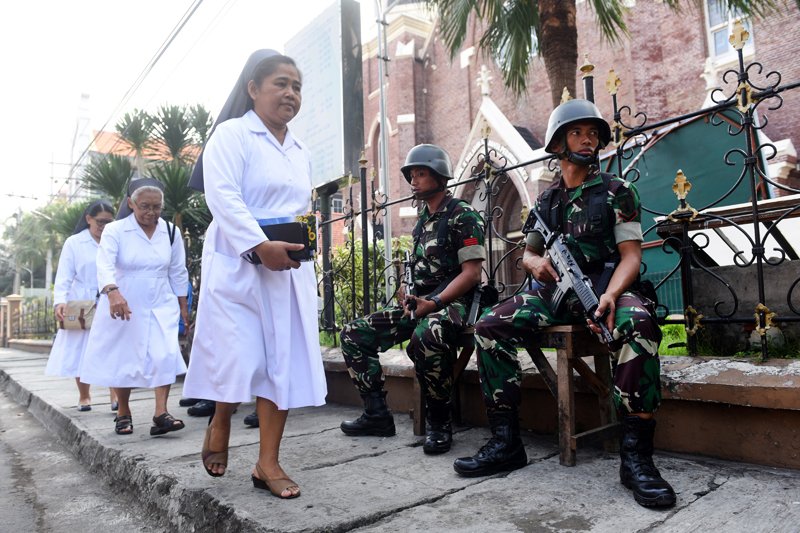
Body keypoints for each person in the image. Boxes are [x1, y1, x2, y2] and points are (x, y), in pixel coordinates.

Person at [453, 99, 676, 509]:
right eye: (577, 132)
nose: (588, 140)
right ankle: (506, 442)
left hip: (607, 286)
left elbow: (631, 255)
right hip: (554, 294)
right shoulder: (546, 202)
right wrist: (536, 262)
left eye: (593, 133)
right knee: (488, 328)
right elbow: (527, 253)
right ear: (558, 143)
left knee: (640, 326)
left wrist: (610, 294)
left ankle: (637, 461)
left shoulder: (617, 192)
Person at [182, 50, 327, 500]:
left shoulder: (300, 150)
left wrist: (303, 243)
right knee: (239, 354)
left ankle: (267, 463)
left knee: (278, 361)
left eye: (297, 86)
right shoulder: (231, 135)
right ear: (253, 89)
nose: (290, 93)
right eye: (281, 83)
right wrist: (257, 245)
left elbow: (301, 208)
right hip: (238, 258)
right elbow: (221, 196)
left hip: (285, 266)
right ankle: (221, 417)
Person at [339, 144, 486, 455]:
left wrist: (433, 303)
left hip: (455, 303)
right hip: (422, 303)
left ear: (439, 176)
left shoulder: (463, 215)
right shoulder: (423, 220)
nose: (414, 180)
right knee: (354, 332)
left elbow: (472, 274)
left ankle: (439, 421)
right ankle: (377, 413)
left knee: (426, 335)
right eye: (412, 174)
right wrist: (412, 295)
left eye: (422, 173)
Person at [78, 178, 190, 437]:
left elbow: (177, 270)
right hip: (124, 300)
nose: (151, 212)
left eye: (157, 207)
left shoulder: (170, 232)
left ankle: (161, 413)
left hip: (161, 300)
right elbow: (104, 265)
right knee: (124, 357)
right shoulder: (116, 230)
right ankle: (123, 412)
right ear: (130, 204)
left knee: (164, 354)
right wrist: (113, 292)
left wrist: (183, 303)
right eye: (144, 206)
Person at [46, 200, 118, 411]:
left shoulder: (114, 240)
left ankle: (115, 395)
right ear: (88, 219)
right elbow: (64, 275)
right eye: (100, 221)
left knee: (112, 348)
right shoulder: (74, 243)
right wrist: (60, 301)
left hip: (108, 300)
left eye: (108, 221)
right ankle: (84, 396)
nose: (104, 225)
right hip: (82, 303)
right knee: (81, 350)